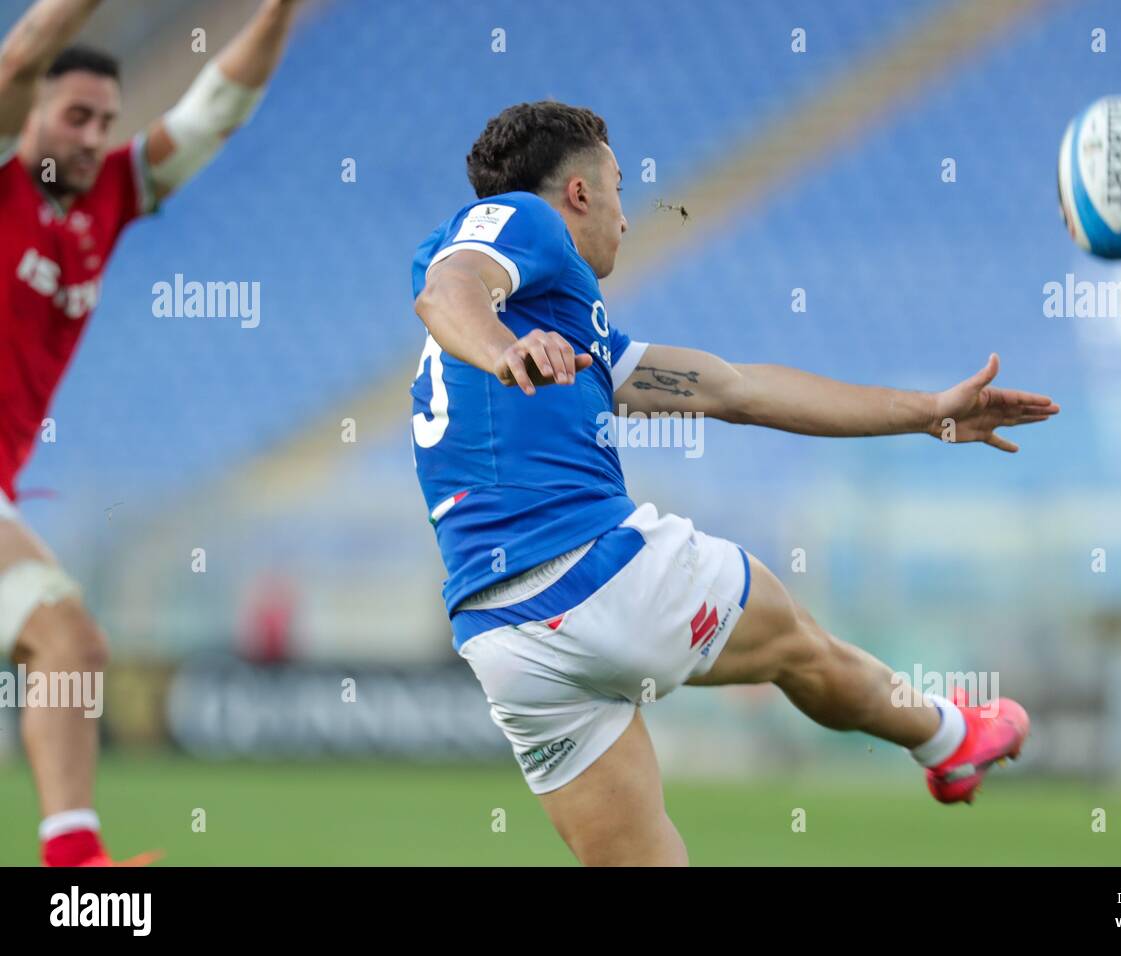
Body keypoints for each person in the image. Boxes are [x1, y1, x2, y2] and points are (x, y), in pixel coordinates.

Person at [410, 100, 1059, 865]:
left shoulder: (575, 329)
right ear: (579, 193)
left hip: (504, 641)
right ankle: (952, 741)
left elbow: (737, 390)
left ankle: (950, 742)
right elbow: (447, 289)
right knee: (802, 648)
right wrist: (500, 351)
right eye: (620, 185)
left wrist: (926, 413)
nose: (628, 212)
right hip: (599, 571)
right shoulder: (525, 221)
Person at [0, 0, 304, 866]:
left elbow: (215, 109)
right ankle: (77, 877)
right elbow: (22, 53)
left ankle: (73, 871)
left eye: (106, 120)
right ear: (33, 118)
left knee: (68, 644)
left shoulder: (111, 199)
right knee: (66, 639)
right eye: (76, 117)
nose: (96, 136)